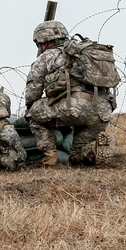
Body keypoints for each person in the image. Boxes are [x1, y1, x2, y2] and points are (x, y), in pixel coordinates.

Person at [24, 20, 115, 166]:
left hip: (74, 108)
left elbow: (32, 92)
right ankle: (92, 151)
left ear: (44, 42)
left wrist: (30, 105)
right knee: (76, 155)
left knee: (32, 114)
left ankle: (50, 158)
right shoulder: (86, 53)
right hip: (103, 110)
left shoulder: (47, 56)